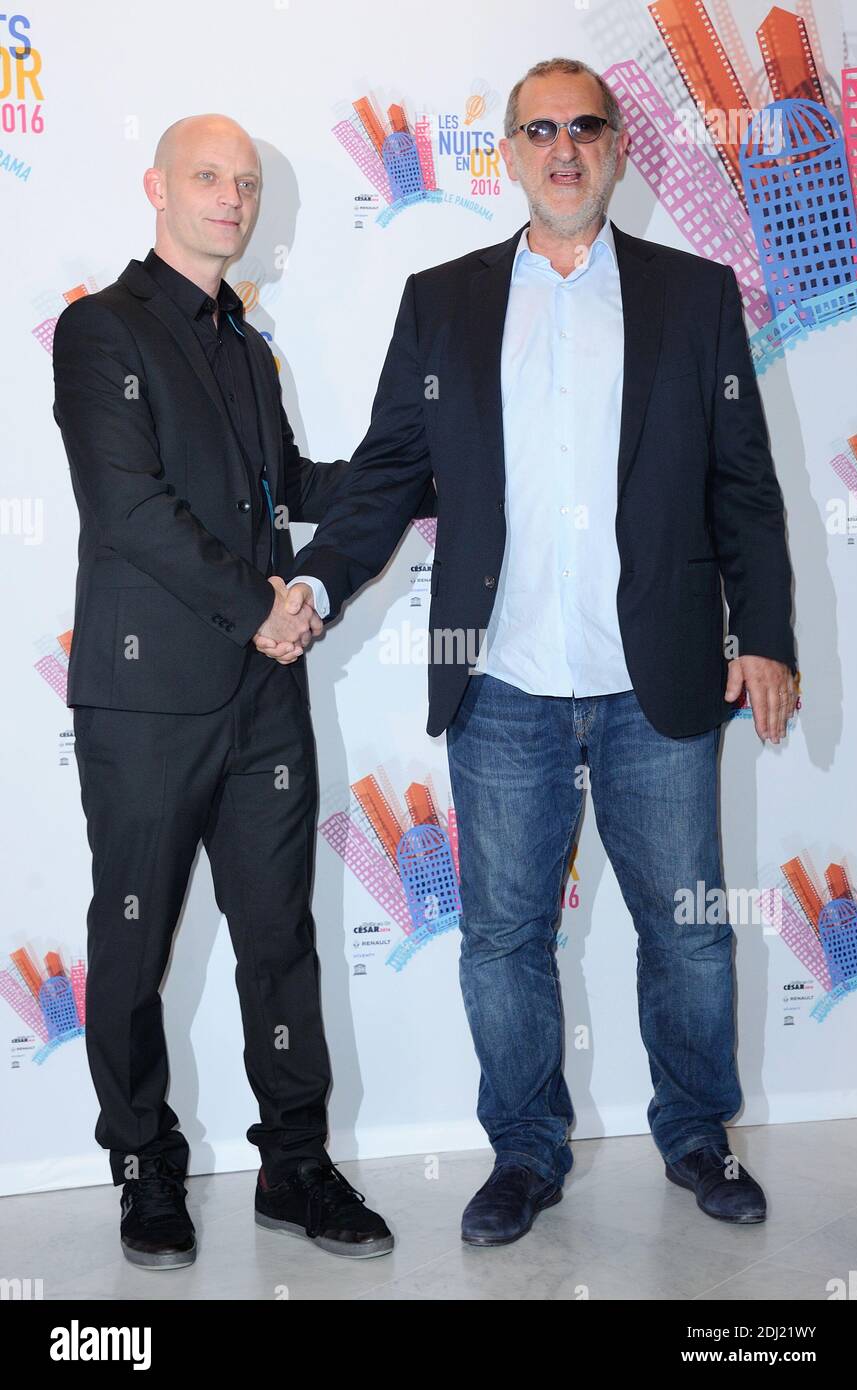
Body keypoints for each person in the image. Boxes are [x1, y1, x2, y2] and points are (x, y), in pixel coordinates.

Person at [259, 59, 798, 1246]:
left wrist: (763, 635)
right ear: (506, 154)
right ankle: (523, 1152)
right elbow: (391, 471)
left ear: (615, 149)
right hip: (500, 681)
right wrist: (311, 580)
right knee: (503, 936)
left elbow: (742, 488)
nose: (562, 148)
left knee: (690, 928)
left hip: (653, 676)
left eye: (584, 128)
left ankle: (697, 1134)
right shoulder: (442, 300)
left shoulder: (693, 295)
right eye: (537, 130)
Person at [53, 113, 432, 1268]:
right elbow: (131, 510)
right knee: (132, 942)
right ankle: (143, 1164)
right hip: (148, 700)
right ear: (155, 187)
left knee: (280, 940)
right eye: (209, 178)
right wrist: (265, 605)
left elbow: (284, 489)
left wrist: (426, 464)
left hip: (262, 700)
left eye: (248, 183)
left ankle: (295, 1165)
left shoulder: (247, 344)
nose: (232, 198)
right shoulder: (99, 328)